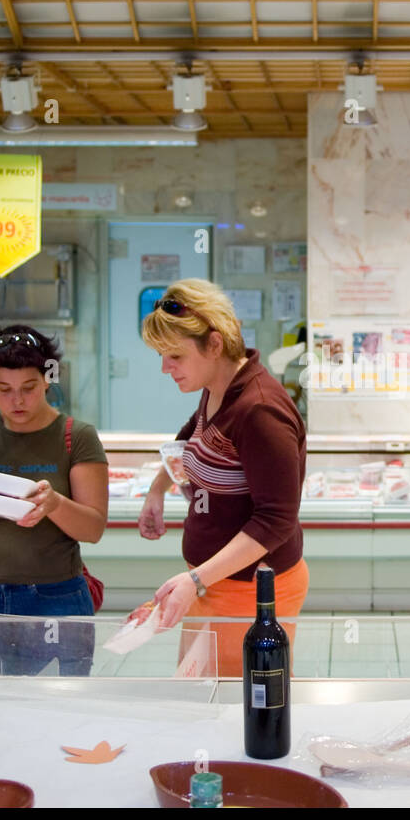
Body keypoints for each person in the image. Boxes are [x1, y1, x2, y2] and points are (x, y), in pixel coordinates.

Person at [134, 279, 308, 677]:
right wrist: (156, 490)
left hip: (252, 589)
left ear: (214, 344)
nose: (165, 368)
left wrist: (195, 579)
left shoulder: (259, 411)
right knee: (196, 696)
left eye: (174, 356)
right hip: (212, 583)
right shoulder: (218, 387)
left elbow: (276, 519)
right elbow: (190, 436)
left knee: (235, 711)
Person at [0, 325, 108, 676]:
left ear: (46, 380)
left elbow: (93, 528)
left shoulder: (77, 436)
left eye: (28, 388)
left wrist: (54, 504)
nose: (17, 401)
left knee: (59, 709)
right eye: (4, 390)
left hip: (55, 595)